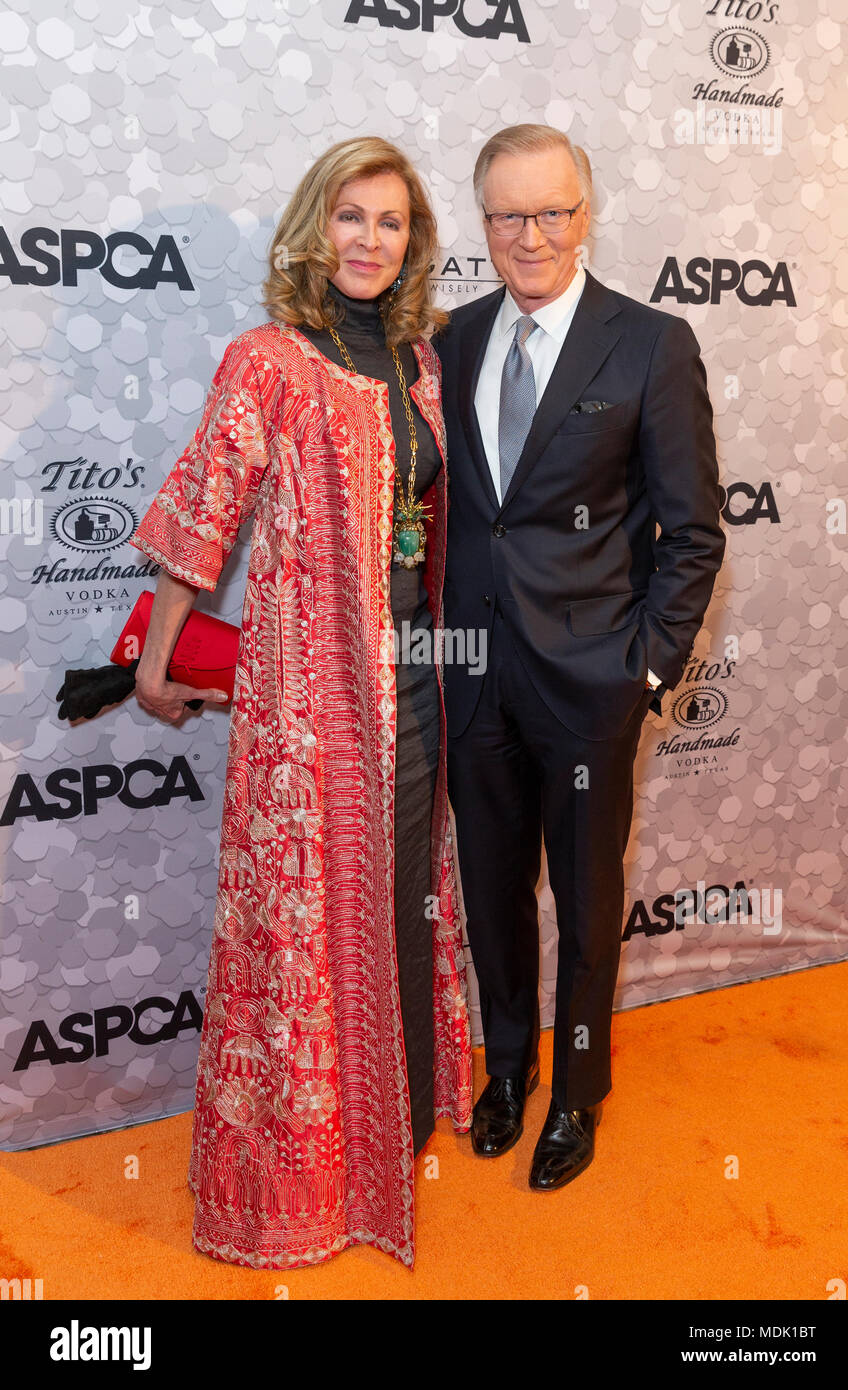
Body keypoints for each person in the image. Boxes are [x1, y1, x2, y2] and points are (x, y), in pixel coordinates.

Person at [128, 136, 472, 1270]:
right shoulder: (267, 361)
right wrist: (155, 659)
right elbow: (200, 518)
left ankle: (403, 1121)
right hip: (309, 688)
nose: (370, 240)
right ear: (313, 227)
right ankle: (311, 1170)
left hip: (413, 678)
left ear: (411, 241)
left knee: (407, 892)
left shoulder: (420, 364)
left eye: (391, 222)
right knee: (307, 924)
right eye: (351, 217)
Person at [436, 124, 725, 1189]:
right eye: (508, 215)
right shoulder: (453, 339)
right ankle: (505, 1070)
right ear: (483, 222)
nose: (531, 235)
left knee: (588, 898)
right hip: (472, 676)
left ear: (584, 211)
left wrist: (640, 670)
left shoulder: (650, 343)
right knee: (488, 888)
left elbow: (691, 533)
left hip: (589, 684)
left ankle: (578, 1090)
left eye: (551, 211)